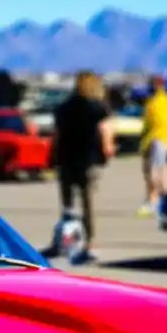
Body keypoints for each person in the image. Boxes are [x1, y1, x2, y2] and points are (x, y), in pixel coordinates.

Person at [49, 70, 115, 264]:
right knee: (87, 204)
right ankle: (89, 242)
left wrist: (53, 157)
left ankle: (66, 240)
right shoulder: (97, 108)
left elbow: (57, 134)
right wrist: (106, 150)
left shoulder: (64, 107)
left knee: (68, 204)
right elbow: (105, 131)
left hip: (65, 158)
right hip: (87, 159)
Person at [138, 74, 167, 217]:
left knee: (156, 172)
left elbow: (156, 123)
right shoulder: (166, 101)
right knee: (158, 170)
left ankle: (155, 201)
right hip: (159, 140)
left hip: (158, 139)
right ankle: (156, 200)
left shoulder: (159, 101)